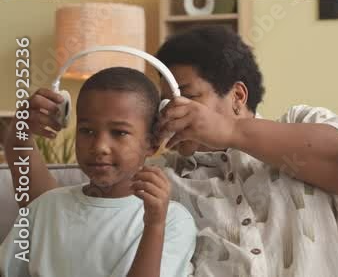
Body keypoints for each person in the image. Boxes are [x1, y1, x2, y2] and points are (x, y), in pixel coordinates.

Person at [6, 25, 338, 277]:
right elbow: (62, 218)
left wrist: (230, 132)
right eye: (164, 103)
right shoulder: (160, 178)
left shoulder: (302, 125)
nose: (171, 112)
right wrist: (18, 135)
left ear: (237, 96)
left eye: (186, 96)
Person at [0, 67, 196, 276]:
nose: (100, 146)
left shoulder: (172, 220)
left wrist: (154, 225)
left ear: (153, 143)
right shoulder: (44, 206)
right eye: (87, 131)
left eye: (119, 132)